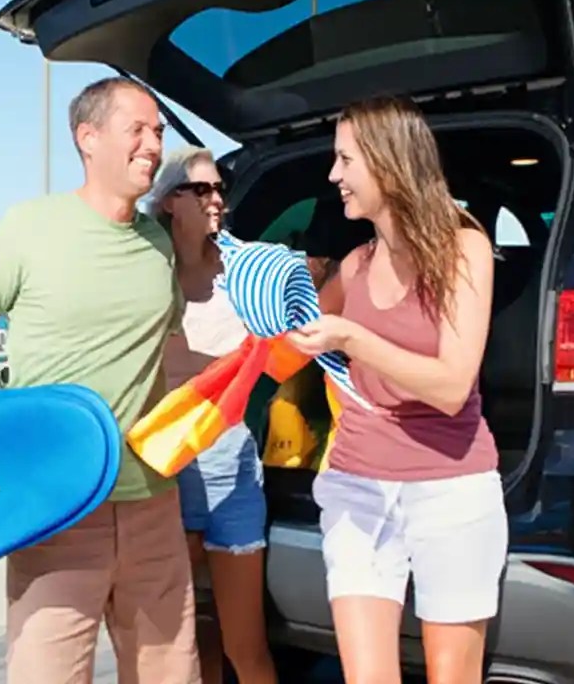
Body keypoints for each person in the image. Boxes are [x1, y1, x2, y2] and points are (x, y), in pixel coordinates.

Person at [0, 77, 201, 684]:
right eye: (136, 130)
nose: (153, 144)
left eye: (159, 132)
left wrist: (245, 375)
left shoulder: (157, 246)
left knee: (171, 674)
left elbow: (171, 352)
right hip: (56, 507)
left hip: (153, 504)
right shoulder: (29, 226)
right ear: (87, 139)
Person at [284, 95, 506, 684]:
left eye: (345, 159)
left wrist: (352, 338)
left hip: (452, 491)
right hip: (357, 488)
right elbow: (283, 348)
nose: (334, 176)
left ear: (387, 162)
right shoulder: (354, 266)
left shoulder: (466, 249)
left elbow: (453, 384)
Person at [147, 146, 278, 684]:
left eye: (219, 187)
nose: (217, 198)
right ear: (169, 201)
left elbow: (293, 316)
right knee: (183, 646)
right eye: (201, 190)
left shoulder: (244, 270)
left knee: (245, 648)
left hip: (232, 464)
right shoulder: (144, 274)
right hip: (166, 467)